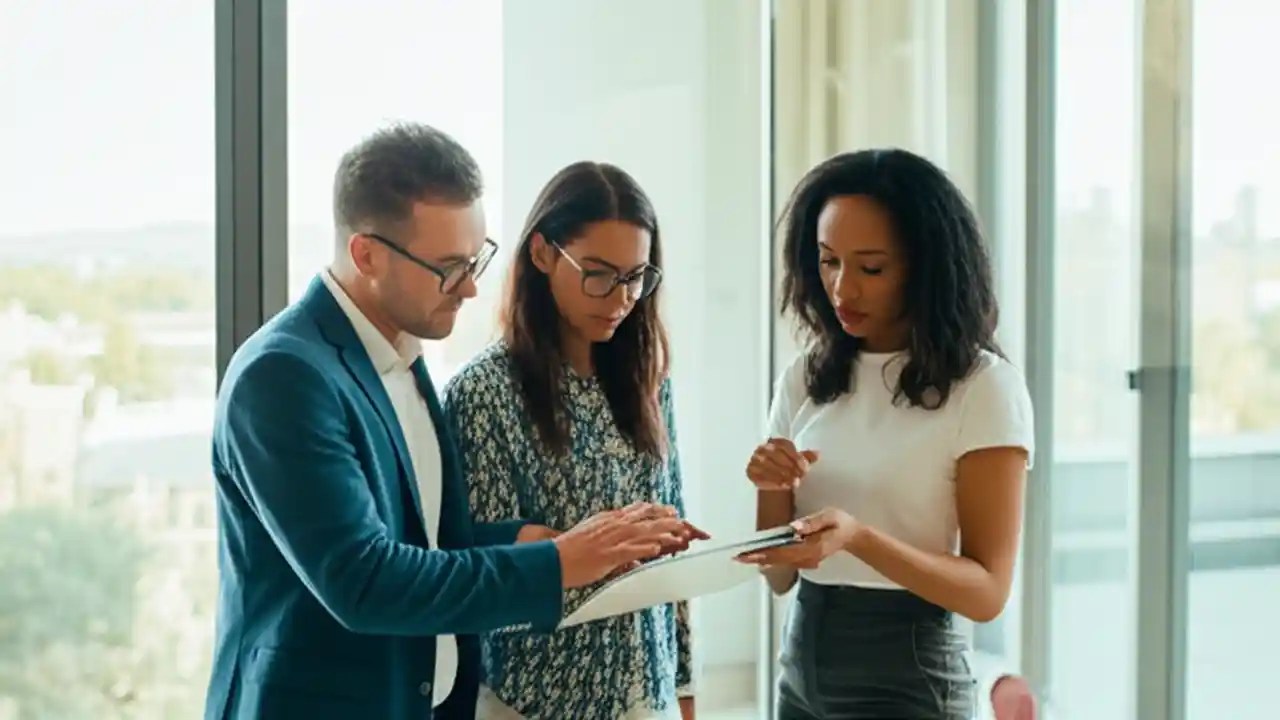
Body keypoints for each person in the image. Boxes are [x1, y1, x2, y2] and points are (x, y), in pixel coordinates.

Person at [205, 124, 689, 720]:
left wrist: (524, 539)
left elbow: (420, 540)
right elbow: (366, 581)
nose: (470, 288)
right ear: (366, 255)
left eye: (476, 258)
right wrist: (560, 562)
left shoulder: (403, 358)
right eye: (449, 267)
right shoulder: (284, 375)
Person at [737, 149, 1036, 719]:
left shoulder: (982, 388)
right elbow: (778, 576)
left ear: (925, 268)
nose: (842, 289)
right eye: (828, 261)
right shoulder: (806, 376)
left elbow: (987, 593)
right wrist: (772, 487)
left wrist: (858, 538)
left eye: (871, 269)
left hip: (908, 681)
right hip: (800, 671)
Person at [444, 161, 705, 720]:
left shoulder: (649, 380)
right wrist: (582, 551)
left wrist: (684, 694)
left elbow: (671, 553)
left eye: (636, 277)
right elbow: (486, 573)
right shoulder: (483, 391)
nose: (620, 297)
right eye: (598, 273)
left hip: (647, 697)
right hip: (530, 701)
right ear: (542, 253)